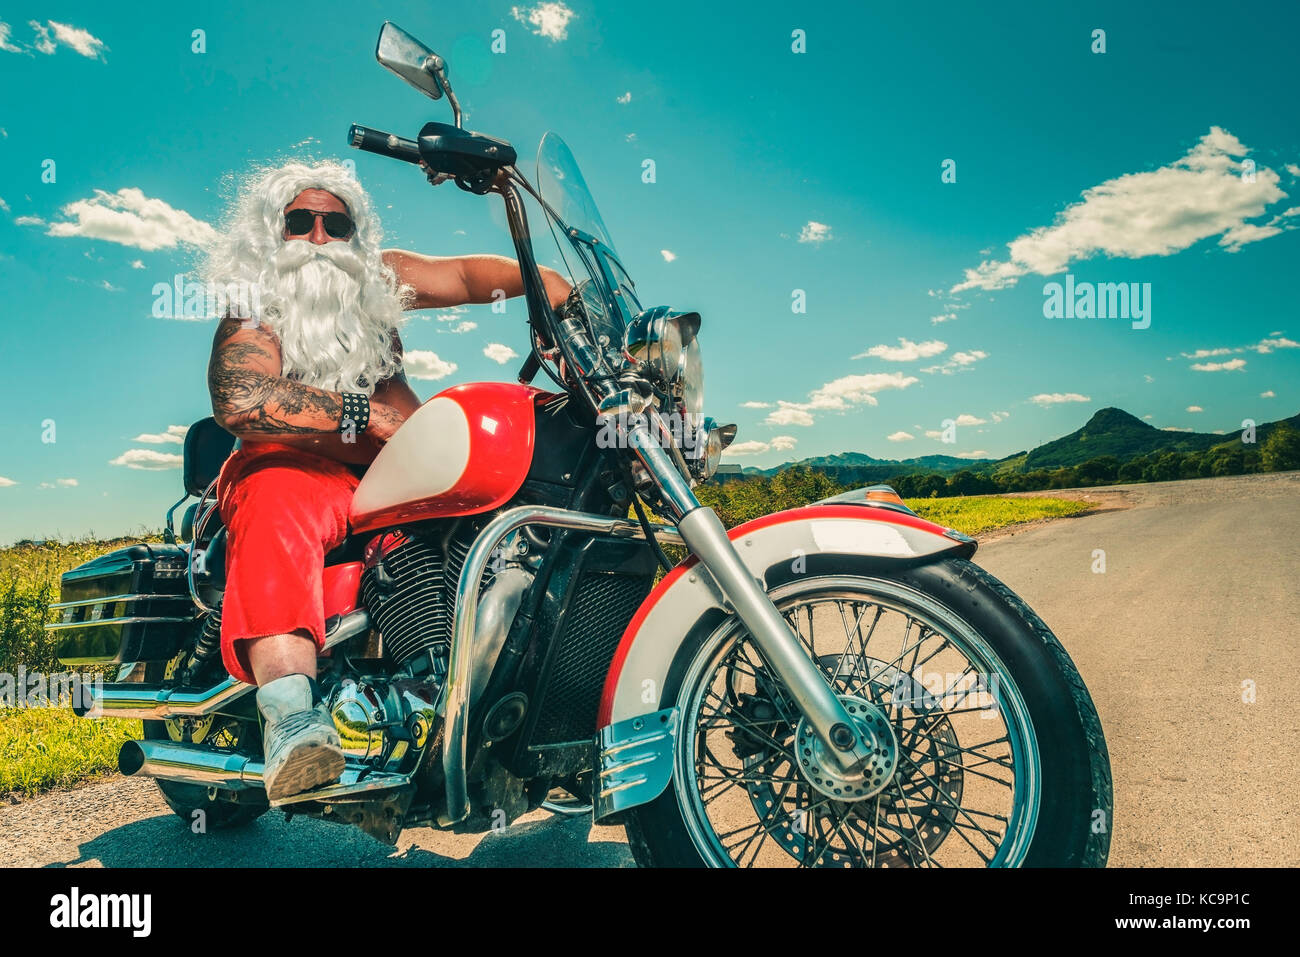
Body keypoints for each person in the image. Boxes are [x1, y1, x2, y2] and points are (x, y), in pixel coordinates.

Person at [201, 160, 570, 801]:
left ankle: (534, 703)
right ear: (272, 233)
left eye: (335, 223)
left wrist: (554, 289)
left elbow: (461, 276)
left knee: (523, 499)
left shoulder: (378, 278)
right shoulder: (255, 304)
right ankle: (291, 719)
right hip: (293, 467)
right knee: (277, 496)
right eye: (299, 221)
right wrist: (360, 414)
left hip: (389, 475)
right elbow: (241, 398)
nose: (319, 237)